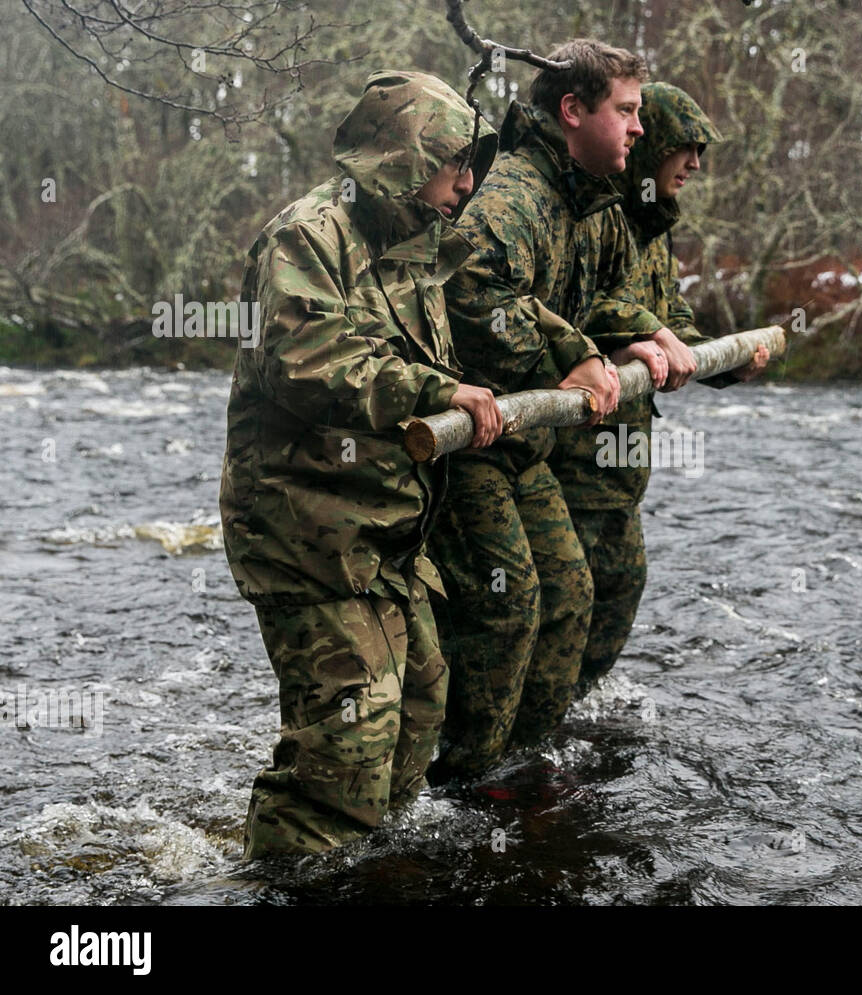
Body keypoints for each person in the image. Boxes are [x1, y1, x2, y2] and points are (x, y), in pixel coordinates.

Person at [219, 70, 502, 858]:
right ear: (408, 159)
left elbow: (485, 319)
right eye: (456, 162)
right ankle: (288, 878)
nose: (468, 183)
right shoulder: (307, 236)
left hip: (384, 535)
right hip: (305, 530)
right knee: (343, 743)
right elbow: (308, 358)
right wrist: (435, 389)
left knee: (416, 709)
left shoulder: (417, 249)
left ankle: (365, 869)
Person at [427, 40, 666, 784]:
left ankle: (515, 769)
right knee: (508, 608)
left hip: (523, 443)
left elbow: (593, 301)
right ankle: (459, 783)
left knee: (568, 596)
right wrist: (566, 353)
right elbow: (472, 293)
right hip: (468, 445)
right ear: (572, 110)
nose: (637, 129)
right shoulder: (516, 195)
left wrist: (631, 339)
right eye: (625, 111)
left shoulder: (580, 201)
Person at [553, 82, 769, 698]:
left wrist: (721, 363)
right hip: (574, 455)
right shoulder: (597, 213)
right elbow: (582, 308)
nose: (696, 165)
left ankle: (565, 729)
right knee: (558, 609)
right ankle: (517, 757)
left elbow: (671, 318)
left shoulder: (655, 228)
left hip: (623, 465)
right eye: (688, 149)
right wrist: (640, 332)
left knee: (619, 593)